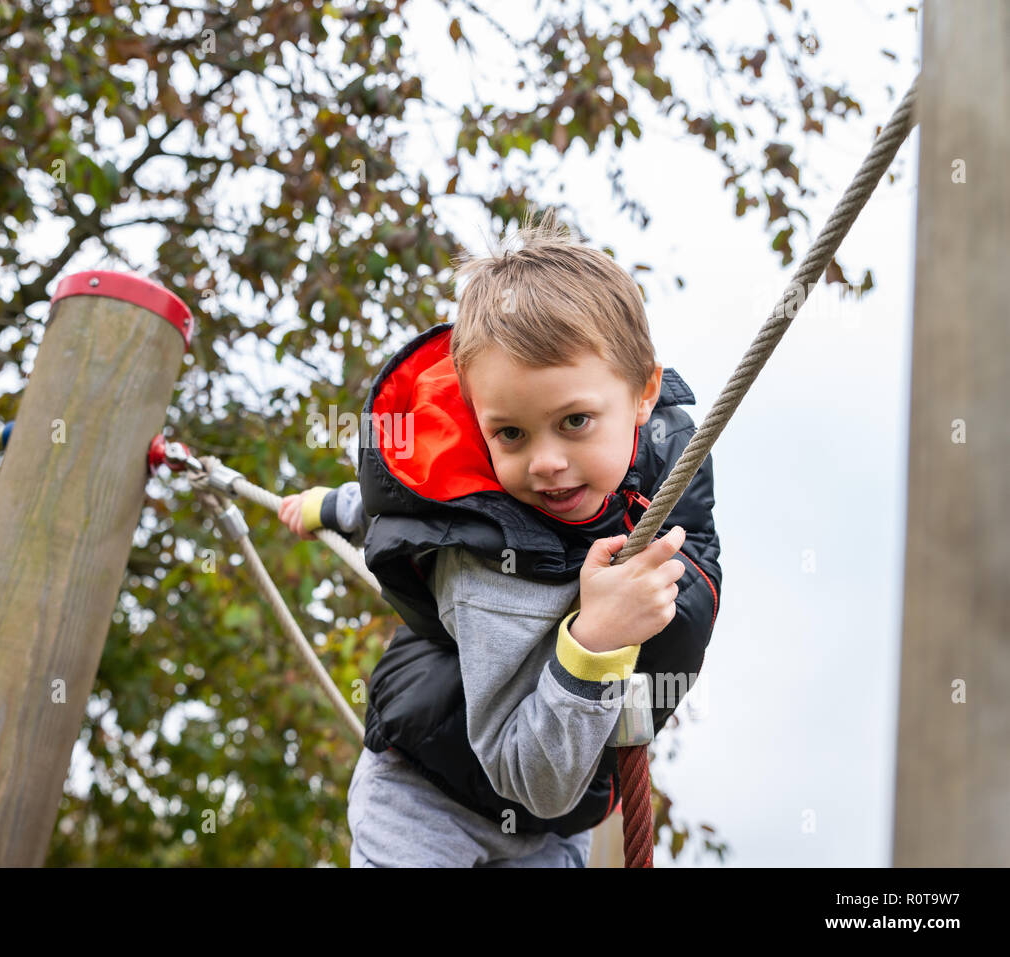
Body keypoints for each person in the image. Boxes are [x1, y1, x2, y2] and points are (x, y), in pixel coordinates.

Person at [281, 211, 721, 867]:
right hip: (428, 799)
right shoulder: (484, 568)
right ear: (483, 423)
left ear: (644, 393)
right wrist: (596, 640)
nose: (545, 461)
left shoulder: (665, 464)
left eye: (574, 420)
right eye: (511, 434)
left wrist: (333, 504)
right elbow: (531, 775)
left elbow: (392, 497)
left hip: (552, 829)